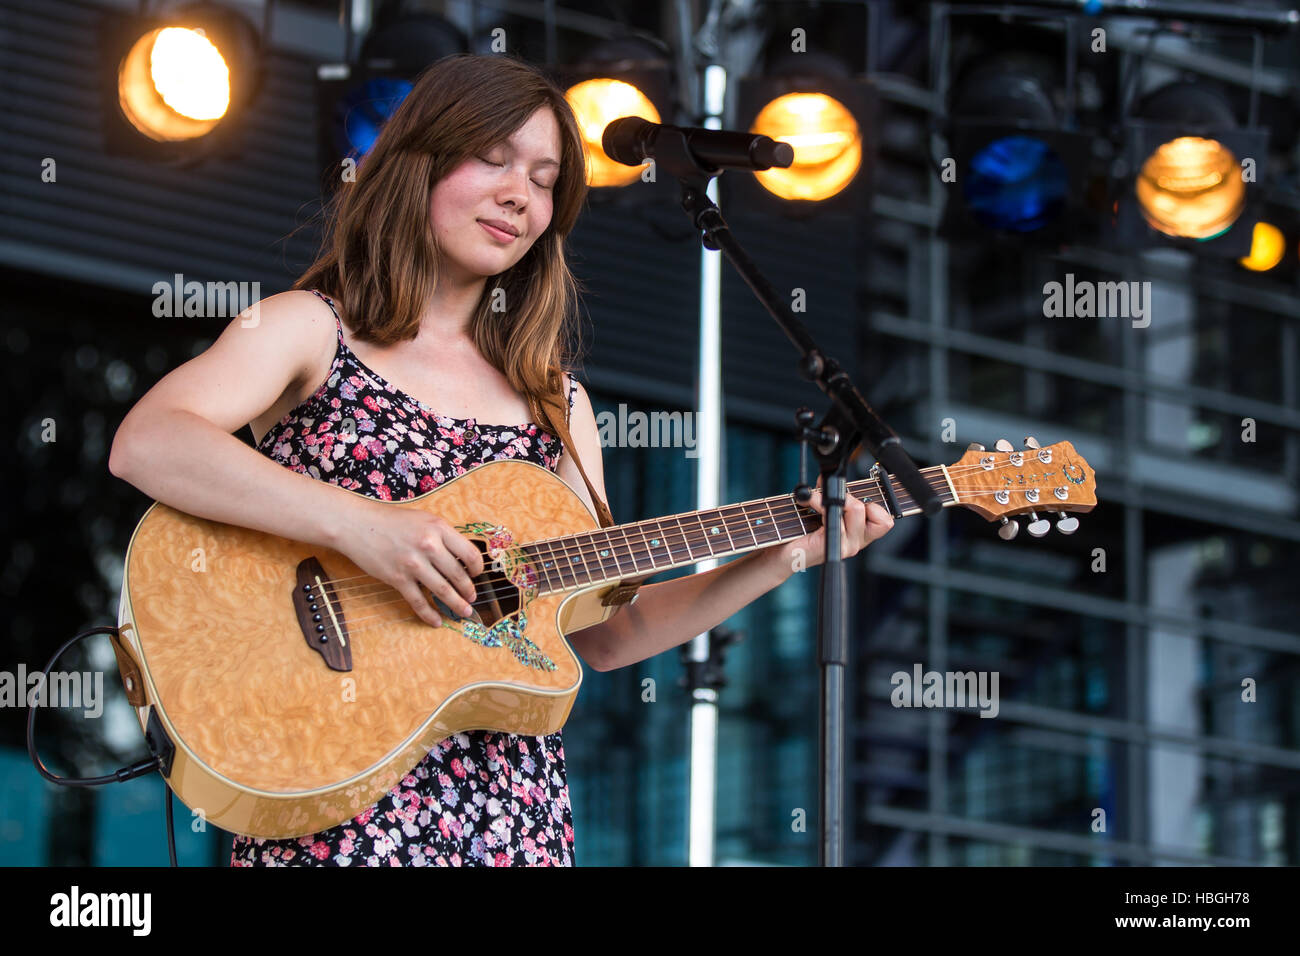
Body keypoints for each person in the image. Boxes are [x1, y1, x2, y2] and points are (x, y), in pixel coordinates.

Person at [107, 53, 895, 867]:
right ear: (420, 162)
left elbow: (610, 634)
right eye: (493, 158)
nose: (522, 193)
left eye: (546, 178)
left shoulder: (556, 401)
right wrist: (367, 530)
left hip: (511, 823)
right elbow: (150, 441)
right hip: (336, 798)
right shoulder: (309, 329)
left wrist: (790, 553)